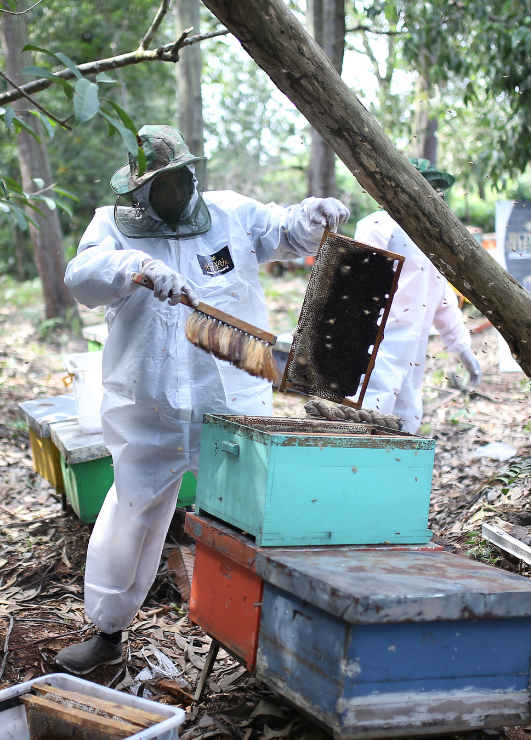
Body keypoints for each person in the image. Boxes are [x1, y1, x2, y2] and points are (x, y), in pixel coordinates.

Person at [56, 126, 349, 674]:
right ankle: (107, 635)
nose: (171, 190)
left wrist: (311, 215)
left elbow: (285, 233)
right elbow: (82, 279)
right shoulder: (110, 227)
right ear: (137, 189)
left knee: (253, 518)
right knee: (133, 511)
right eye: (157, 184)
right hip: (151, 407)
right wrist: (135, 268)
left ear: (191, 174)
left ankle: (273, 642)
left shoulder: (231, 213)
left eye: (176, 179)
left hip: (232, 403)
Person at [354, 159, 481, 434]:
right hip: (376, 345)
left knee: (407, 420)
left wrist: (461, 346)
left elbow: (442, 296)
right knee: (368, 417)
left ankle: (393, 474)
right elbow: (354, 287)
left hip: (413, 349)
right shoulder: (378, 226)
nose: (435, 196)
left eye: (437, 190)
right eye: (429, 188)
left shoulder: (431, 239)